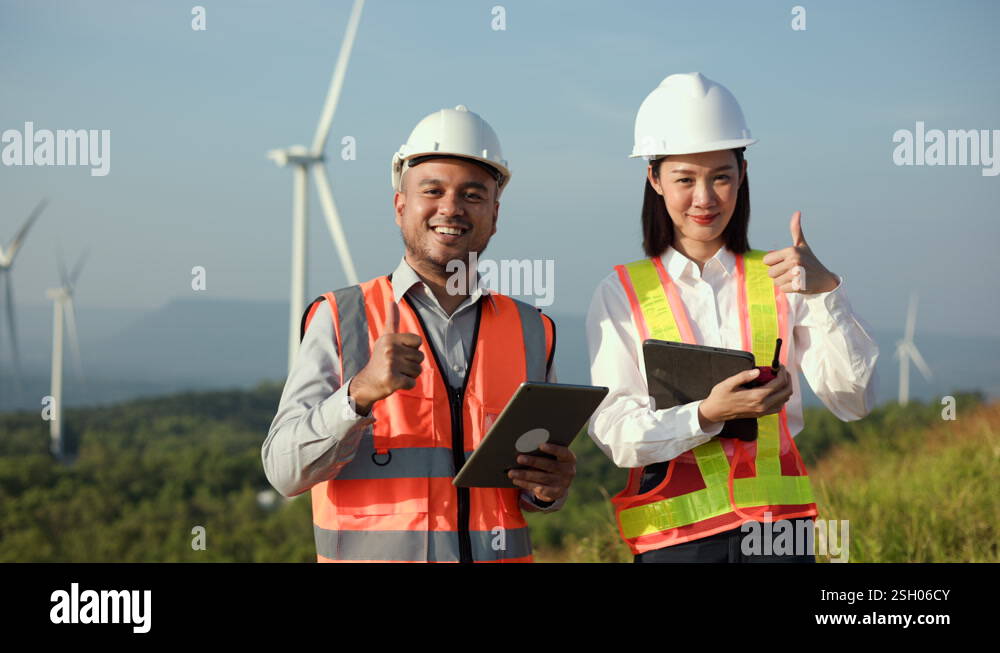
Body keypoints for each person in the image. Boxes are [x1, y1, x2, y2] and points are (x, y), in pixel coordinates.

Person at [585, 73, 879, 563]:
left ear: (742, 174)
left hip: (778, 539)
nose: (705, 198)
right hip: (676, 545)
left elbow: (855, 400)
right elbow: (617, 432)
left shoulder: (786, 276)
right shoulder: (622, 292)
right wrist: (706, 415)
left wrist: (826, 289)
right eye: (684, 179)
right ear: (654, 179)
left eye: (720, 176)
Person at [263, 105, 575, 563]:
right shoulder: (341, 317)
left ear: (494, 213)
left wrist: (549, 488)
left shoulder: (533, 330)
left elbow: (525, 492)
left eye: (473, 195)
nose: (451, 207)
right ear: (400, 205)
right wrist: (359, 393)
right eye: (433, 190)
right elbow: (284, 471)